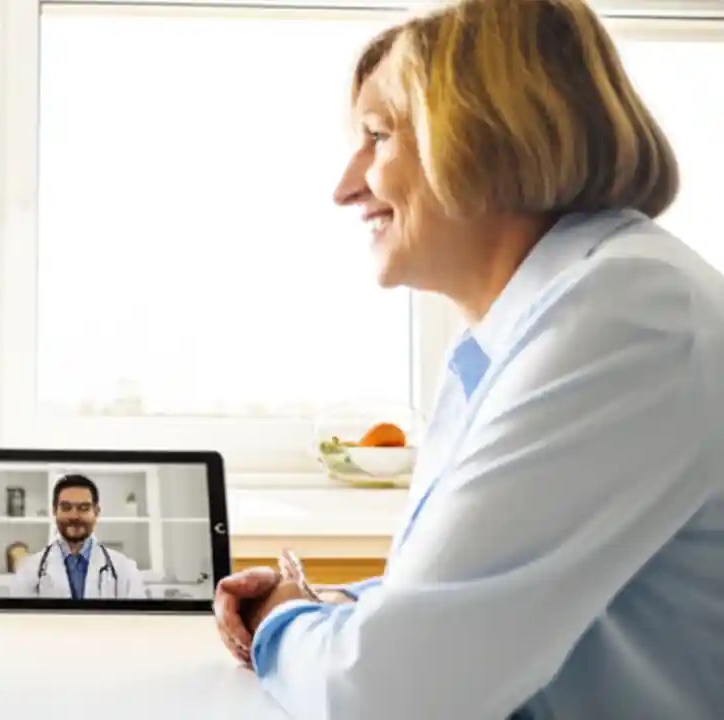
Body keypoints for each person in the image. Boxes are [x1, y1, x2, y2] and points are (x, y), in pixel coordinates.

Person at [214, 0, 724, 717]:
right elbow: (511, 589)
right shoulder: (526, 326)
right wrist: (337, 609)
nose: (346, 186)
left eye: (377, 136)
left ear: (486, 135)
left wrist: (283, 625)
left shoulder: (627, 314)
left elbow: (393, 694)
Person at [11, 475, 148, 599]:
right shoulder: (29, 570)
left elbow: (137, 618)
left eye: (83, 508)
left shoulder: (125, 569)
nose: (74, 516)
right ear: (54, 511)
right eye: (66, 507)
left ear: (96, 512)